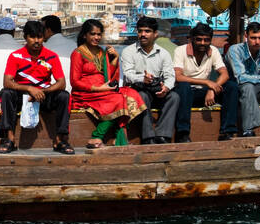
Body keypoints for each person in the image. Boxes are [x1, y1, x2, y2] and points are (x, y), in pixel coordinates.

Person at [0, 19, 74, 154]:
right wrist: (29, 89)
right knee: (5, 93)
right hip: (22, 97)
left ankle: (60, 140)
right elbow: (7, 82)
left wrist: (41, 91)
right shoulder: (15, 56)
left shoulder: (52, 56)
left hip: (43, 96)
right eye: (32, 37)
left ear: (44, 37)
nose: (36, 41)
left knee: (64, 96)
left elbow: (61, 83)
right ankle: (9, 139)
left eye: (39, 37)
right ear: (25, 37)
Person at [70, 18, 146, 149]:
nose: (97, 37)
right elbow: (74, 82)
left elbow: (109, 76)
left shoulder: (102, 51)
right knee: (118, 99)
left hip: (105, 89)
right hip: (87, 92)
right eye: (93, 34)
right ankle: (97, 136)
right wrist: (98, 89)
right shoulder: (77, 53)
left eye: (99, 34)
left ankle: (119, 137)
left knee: (131, 94)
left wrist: (115, 59)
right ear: (85, 35)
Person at [172, 21, 238, 142]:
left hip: (203, 94)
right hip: (185, 94)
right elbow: (178, 76)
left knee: (232, 87)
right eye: (199, 39)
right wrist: (207, 83)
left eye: (206, 40)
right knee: (184, 86)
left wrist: (213, 88)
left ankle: (227, 131)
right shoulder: (180, 51)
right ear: (192, 39)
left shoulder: (213, 51)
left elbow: (225, 74)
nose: (203, 43)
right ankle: (183, 133)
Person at [119, 16, 178, 144]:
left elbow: (170, 75)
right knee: (142, 96)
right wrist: (142, 79)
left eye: (147, 31)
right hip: (138, 89)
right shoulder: (128, 51)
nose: (143, 35)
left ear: (155, 34)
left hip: (157, 91)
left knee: (174, 97)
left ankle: (163, 135)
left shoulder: (163, 53)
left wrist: (166, 87)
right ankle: (148, 137)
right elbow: (128, 74)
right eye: (140, 31)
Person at [42, 15, 74, 92]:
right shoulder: (74, 45)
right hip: (72, 91)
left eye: (42, 29)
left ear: (48, 31)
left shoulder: (43, 49)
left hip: (50, 92)